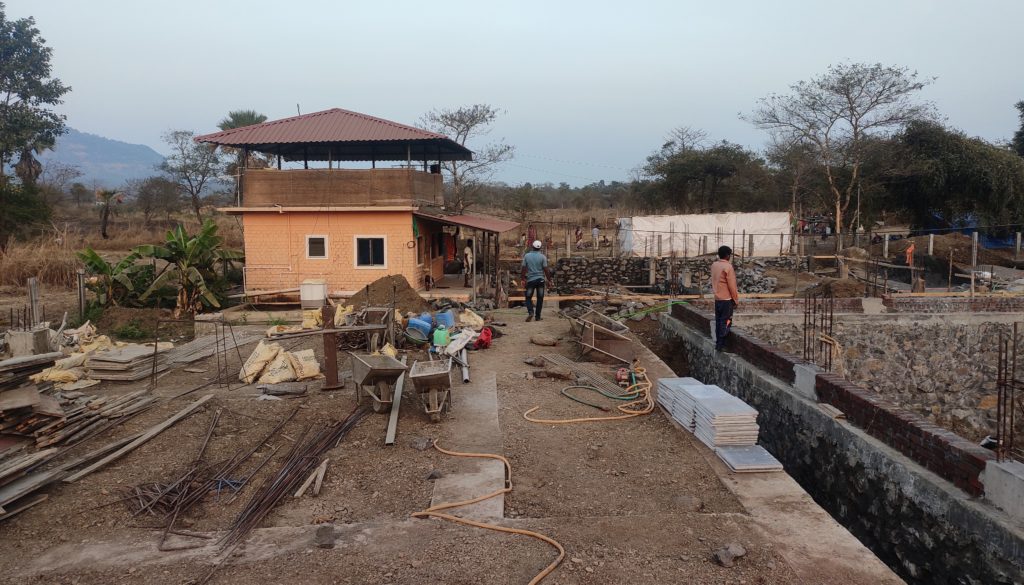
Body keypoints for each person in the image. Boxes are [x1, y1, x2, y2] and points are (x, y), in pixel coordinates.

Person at [711, 245, 739, 351]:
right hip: (726, 300)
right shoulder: (728, 267)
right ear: (727, 255)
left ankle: (719, 343)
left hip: (717, 299)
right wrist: (735, 300)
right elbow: (732, 286)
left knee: (718, 321)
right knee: (726, 321)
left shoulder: (714, 265)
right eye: (730, 255)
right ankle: (722, 345)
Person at [521, 240, 551, 322]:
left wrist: (522, 279)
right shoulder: (543, 257)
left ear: (532, 247)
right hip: (540, 280)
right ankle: (538, 317)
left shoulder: (527, 256)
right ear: (540, 248)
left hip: (530, 280)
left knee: (528, 297)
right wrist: (549, 280)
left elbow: (523, 268)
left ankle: (531, 312)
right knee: (540, 298)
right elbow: (546, 270)